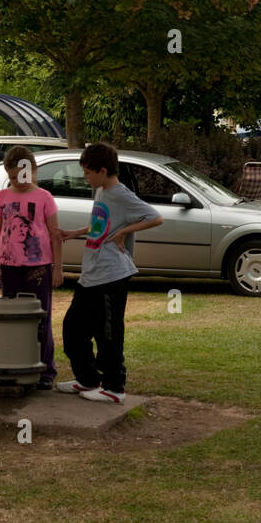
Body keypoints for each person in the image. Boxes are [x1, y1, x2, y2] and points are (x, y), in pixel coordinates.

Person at [57, 142, 163, 403]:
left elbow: (155, 217)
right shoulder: (102, 191)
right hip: (91, 274)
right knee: (73, 329)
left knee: (108, 333)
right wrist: (73, 234)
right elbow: (99, 225)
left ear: (103, 170)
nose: (85, 177)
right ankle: (88, 380)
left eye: (88, 172)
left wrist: (125, 232)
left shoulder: (120, 193)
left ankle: (115, 388)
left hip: (111, 276)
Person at [0, 145, 63, 389]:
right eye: (11, 177)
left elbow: (54, 234)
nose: (17, 181)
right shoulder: (2, 198)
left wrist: (58, 268)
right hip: (10, 267)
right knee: (11, 318)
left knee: (41, 318)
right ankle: (15, 366)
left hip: (39, 267)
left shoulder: (44, 197)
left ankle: (45, 371)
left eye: (21, 175)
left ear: (32, 171)